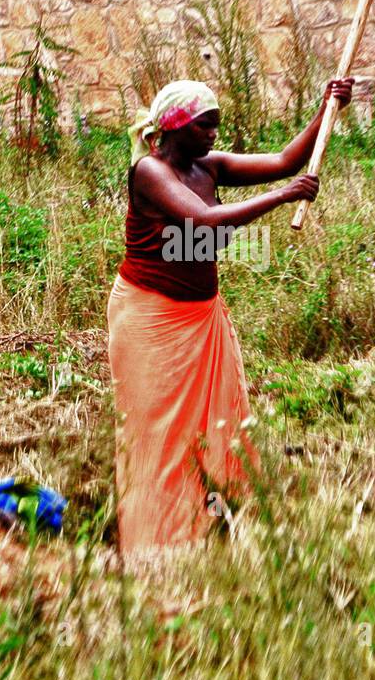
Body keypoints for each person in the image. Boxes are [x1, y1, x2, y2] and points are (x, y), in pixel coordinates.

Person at [108, 76, 354, 553]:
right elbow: (203, 221)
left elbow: (286, 161)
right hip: (151, 319)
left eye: (216, 125)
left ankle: (213, 525)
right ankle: (157, 547)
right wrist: (284, 196)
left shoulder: (210, 166)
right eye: (205, 126)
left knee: (211, 426)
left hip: (201, 317)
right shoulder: (149, 173)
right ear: (175, 127)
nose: (214, 135)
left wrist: (327, 108)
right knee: (158, 432)